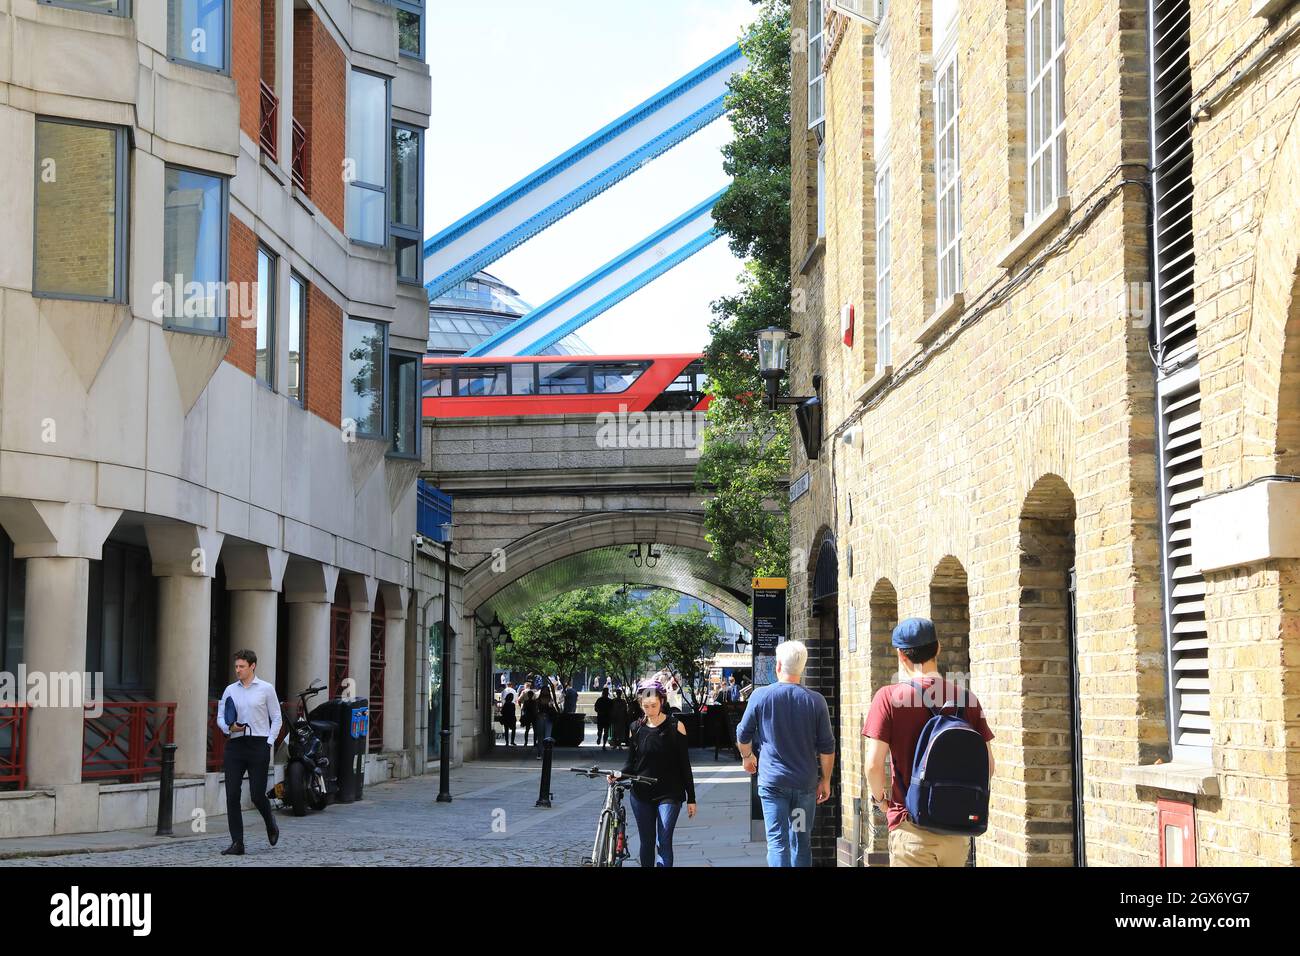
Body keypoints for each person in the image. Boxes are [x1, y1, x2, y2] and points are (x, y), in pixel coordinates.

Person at [864, 617, 995, 867]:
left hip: (911, 827)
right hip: (957, 831)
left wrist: (881, 801)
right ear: (938, 648)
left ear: (901, 655)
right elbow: (988, 766)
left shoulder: (889, 697)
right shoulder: (967, 699)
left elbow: (873, 765)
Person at [735, 640, 835, 868]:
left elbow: (743, 733)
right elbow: (827, 747)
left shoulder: (761, 696)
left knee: (778, 842)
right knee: (800, 842)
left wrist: (747, 756)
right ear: (803, 667)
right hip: (803, 785)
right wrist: (826, 780)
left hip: (773, 785)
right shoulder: (815, 701)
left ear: (778, 666)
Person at [612, 681, 697, 867]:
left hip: (670, 793)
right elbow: (631, 764)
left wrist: (691, 798)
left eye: (653, 706)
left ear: (662, 702)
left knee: (664, 841)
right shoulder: (636, 727)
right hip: (641, 793)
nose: (649, 710)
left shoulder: (676, 726)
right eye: (645, 706)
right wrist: (618, 774)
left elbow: (685, 764)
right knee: (647, 842)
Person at [215, 649, 282, 856]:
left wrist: (269, 743)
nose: (238, 670)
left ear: (252, 666)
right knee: (232, 795)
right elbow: (220, 717)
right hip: (235, 745)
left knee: (256, 795)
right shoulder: (229, 690)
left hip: (258, 744)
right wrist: (229, 728)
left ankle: (270, 823)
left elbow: (277, 717)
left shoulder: (266, 689)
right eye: (236, 666)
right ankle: (238, 843)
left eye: (241, 666)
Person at [535, 685, 559, 758]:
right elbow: (536, 710)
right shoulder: (538, 700)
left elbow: (552, 709)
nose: (545, 692)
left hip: (548, 718)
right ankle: (540, 752)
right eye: (544, 690)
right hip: (541, 718)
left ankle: (546, 753)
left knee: (547, 736)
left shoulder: (550, 700)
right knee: (540, 736)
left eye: (546, 690)